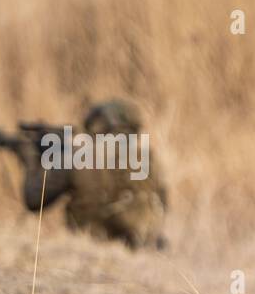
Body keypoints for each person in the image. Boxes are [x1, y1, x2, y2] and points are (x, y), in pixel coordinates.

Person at [20, 98, 168, 250]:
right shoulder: (148, 159)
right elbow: (163, 203)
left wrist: (30, 158)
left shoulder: (79, 156)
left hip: (89, 248)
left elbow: (33, 200)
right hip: (143, 248)